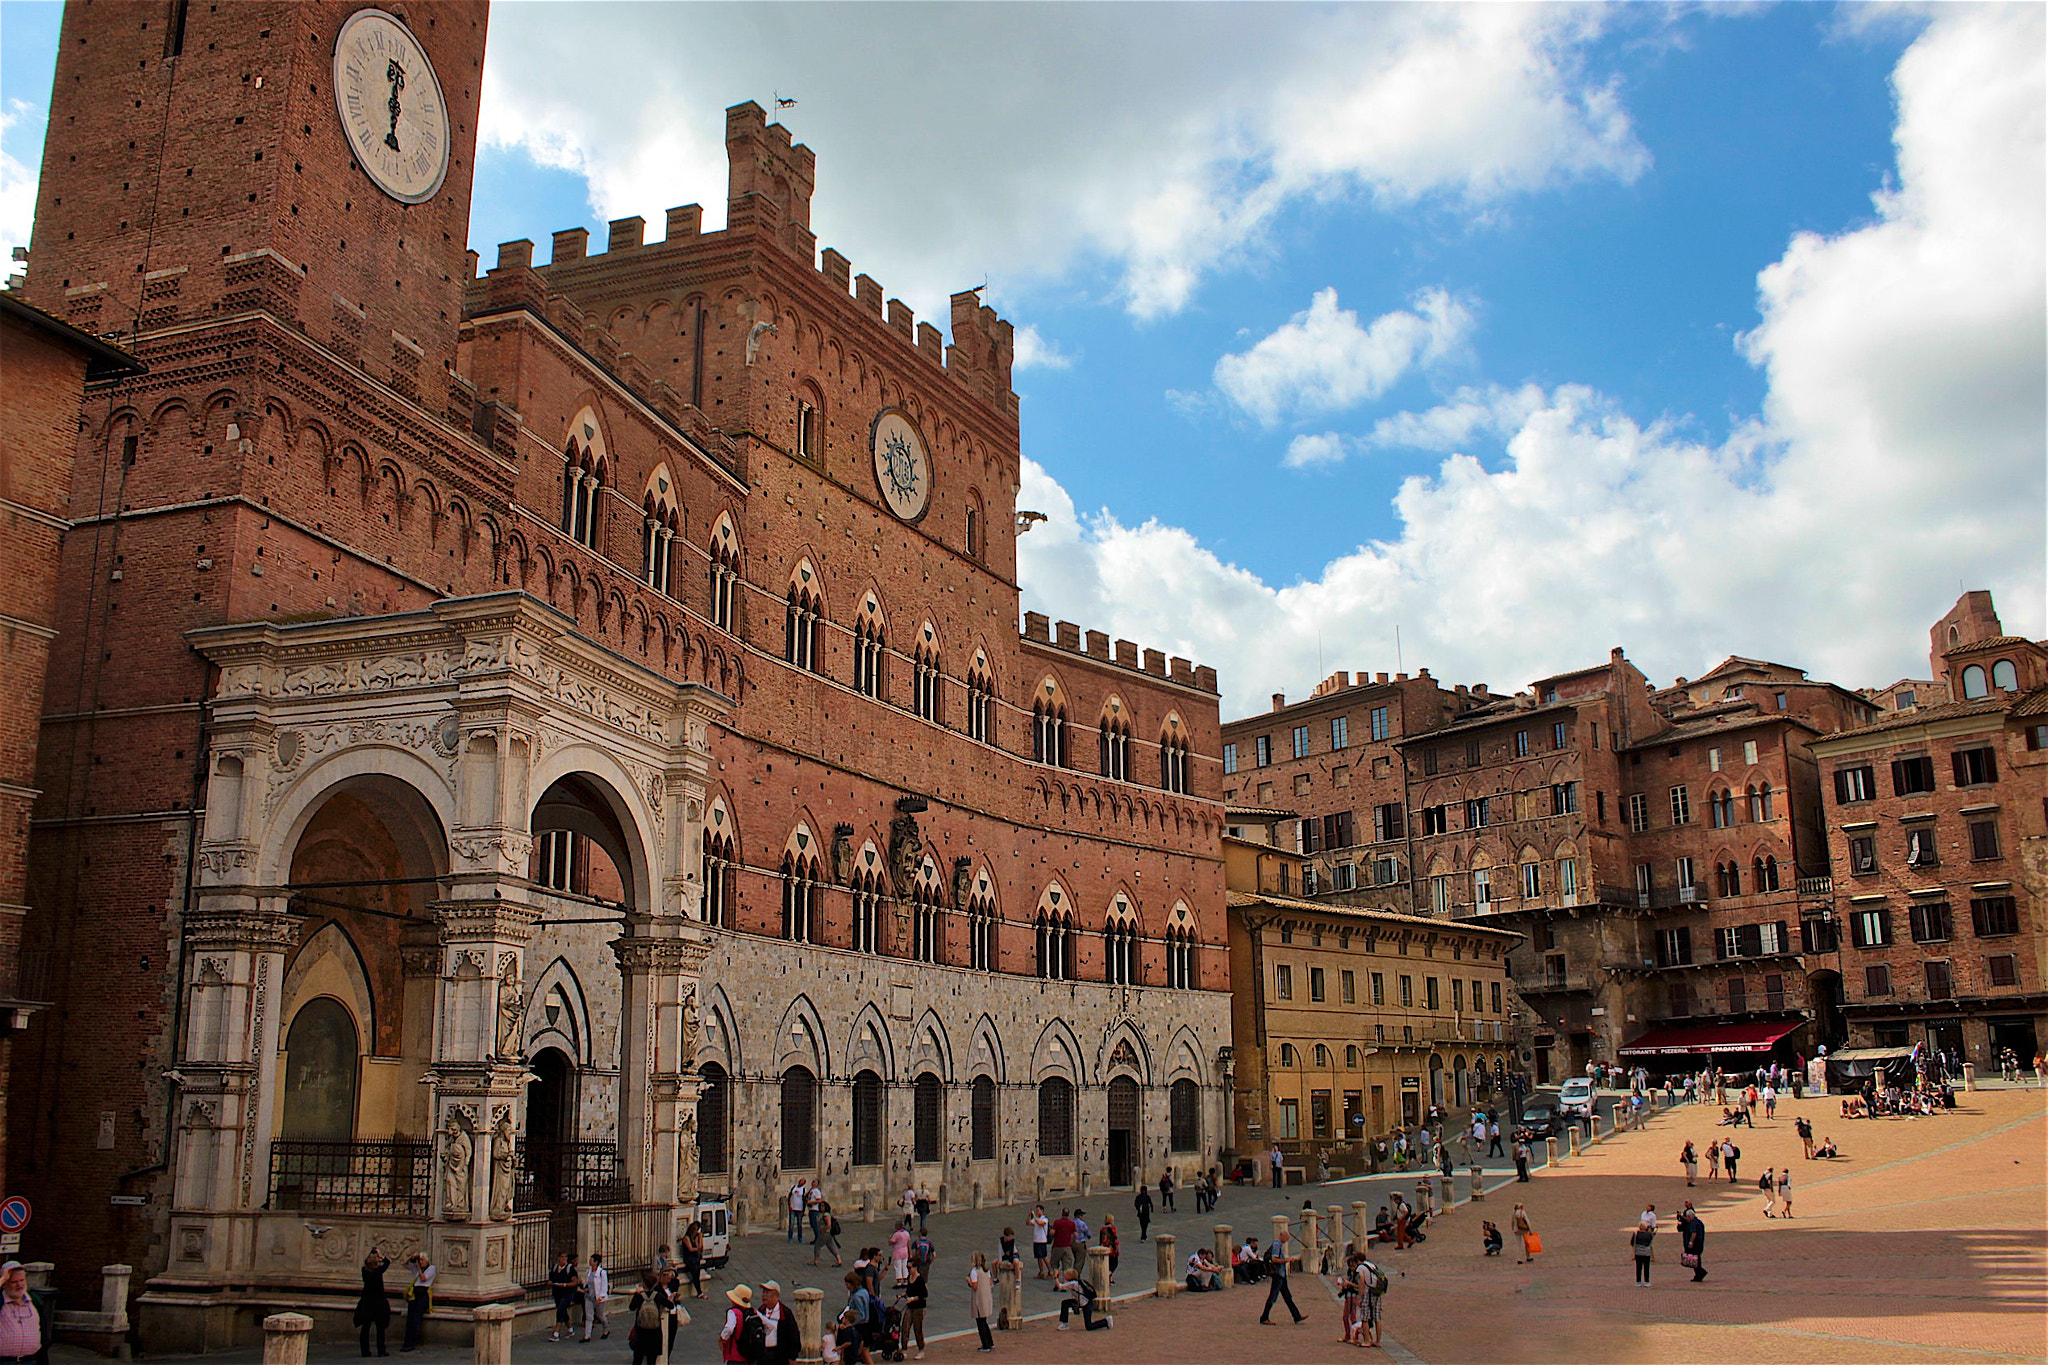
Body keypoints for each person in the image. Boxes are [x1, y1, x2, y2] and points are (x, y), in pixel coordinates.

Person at [1258, 1228, 1306, 1325]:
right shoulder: (1276, 1245)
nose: (1287, 1241)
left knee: (1287, 1296)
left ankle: (1296, 1316)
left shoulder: (1278, 1244)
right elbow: (1275, 1259)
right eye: (1286, 1239)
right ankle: (1264, 1317)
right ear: (1282, 1236)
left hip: (1281, 1275)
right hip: (1278, 1274)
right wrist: (1287, 1260)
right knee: (1273, 1296)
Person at [0, 1263, 41, 1365]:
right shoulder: (0, 1301)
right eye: (14, 1282)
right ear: (4, 1284)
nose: (19, 1285)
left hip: (31, 1361)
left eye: (22, 1280)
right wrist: (3, 1278)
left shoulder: (35, 1301)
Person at [355, 1247, 392, 1357]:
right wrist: (381, 1256)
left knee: (365, 1328)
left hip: (366, 1302)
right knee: (380, 1328)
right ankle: (381, 1350)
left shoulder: (364, 1271)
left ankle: (365, 1351)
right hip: (378, 1302)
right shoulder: (378, 1272)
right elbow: (387, 1262)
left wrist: (372, 1255)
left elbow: (367, 1264)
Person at [627, 1272, 670, 1365]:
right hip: (655, 1332)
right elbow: (670, 1305)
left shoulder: (639, 1296)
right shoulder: (658, 1296)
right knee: (651, 1360)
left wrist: (636, 1293)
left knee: (637, 1359)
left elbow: (631, 1307)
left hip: (641, 1331)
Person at [1054, 1266, 1110, 1331]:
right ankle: (1064, 1323)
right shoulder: (1075, 1283)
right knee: (1065, 1303)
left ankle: (1106, 1321)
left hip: (1086, 1304)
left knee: (1089, 1326)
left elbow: (1059, 1286)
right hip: (1080, 1302)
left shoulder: (1073, 1284)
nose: (1064, 1276)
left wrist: (1055, 1277)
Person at [401, 1252, 436, 1352]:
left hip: (422, 1296)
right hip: (414, 1296)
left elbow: (423, 1278)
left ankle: (412, 1342)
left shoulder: (431, 1268)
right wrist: (411, 1257)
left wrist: (419, 1269)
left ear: (427, 1260)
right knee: (410, 1319)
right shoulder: (416, 1268)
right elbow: (405, 1264)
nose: (420, 1262)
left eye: (422, 1260)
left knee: (416, 1319)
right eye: (420, 1260)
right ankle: (406, 1342)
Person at [757, 1282, 799, 1364]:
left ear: (775, 1296)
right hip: (763, 1355)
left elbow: (793, 1336)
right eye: (763, 1292)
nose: (763, 1295)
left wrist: (793, 1357)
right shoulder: (760, 1311)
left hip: (779, 1356)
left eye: (767, 1292)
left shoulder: (785, 1313)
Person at [966, 1251, 996, 1353]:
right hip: (986, 1297)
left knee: (980, 1323)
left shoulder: (974, 1272)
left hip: (978, 1298)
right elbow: (990, 1283)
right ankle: (990, 1342)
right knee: (984, 1321)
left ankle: (985, 1344)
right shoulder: (986, 1270)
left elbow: (974, 1286)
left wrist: (968, 1281)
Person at [718, 1284, 754, 1364]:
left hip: (735, 1355)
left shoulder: (733, 1312)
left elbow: (729, 1328)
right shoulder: (753, 1312)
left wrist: (722, 1337)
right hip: (748, 1355)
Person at [902, 1259, 930, 1360]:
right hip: (910, 1307)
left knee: (917, 1329)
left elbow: (924, 1294)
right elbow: (909, 1290)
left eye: (909, 1268)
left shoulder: (920, 1279)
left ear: (915, 1267)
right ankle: (904, 1349)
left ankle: (921, 1349)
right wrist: (904, 1295)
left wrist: (913, 1299)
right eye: (907, 1267)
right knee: (905, 1327)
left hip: (918, 1307)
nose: (908, 1270)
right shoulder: (909, 1277)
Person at [548, 1252, 578, 1342]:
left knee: (561, 1309)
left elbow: (574, 1282)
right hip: (557, 1293)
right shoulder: (554, 1268)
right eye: (562, 1257)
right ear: (558, 1258)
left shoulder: (570, 1269)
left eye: (565, 1257)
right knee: (562, 1310)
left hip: (567, 1293)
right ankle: (570, 1329)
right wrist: (550, 1282)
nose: (564, 1259)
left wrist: (564, 1285)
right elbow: (551, 1278)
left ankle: (556, 1332)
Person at [581, 1252, 610, 1342]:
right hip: (589, 1296)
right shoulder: (588, 1271)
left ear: (596, 1262)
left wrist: (600, 1297)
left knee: (600, 1315)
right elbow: (587, 1282)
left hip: (598, 1298)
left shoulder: (602, 1273)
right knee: (589, 1316)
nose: (590, 1261)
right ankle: (587, 1335)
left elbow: (604, 1287)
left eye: (592, 1260)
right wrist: (585, 1288)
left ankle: (606, 1329)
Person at [1677, 1203, 1707, 1283]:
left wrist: (1690, 1242)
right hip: (1699, 1244)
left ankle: (1700, 1273)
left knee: (1694, 1260)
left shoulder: (1692, 1223)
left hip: (1695, 1245)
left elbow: (1694, 1233)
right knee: (1696, 1259)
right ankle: (1699, 1274)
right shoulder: (1699, 1222)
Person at [813, 1196, 843, 1267]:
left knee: (817, 1245)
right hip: (828, 1234)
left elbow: (828, 1224)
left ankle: (816, 1260)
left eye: (823, 1206)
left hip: (826, 1233)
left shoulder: (826, 1214)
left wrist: (823, 1230)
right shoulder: (821, 1214)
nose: (821, 1207)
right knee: (831, 1247)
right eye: (820, 1206)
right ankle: (839, 1260)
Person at [682, 1220, 708, 1297]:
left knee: (697, 1271)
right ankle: (699, 1292)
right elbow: (691, 1249)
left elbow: (700, 1247)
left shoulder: (696, 1237)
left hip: (695, 1257)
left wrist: (700, 1238)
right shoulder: (687, 1238)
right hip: (689, 1257)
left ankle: (699, 1292)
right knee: (695, 1272)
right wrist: (697, 1248)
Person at [1049, 1208, 1077, 1277]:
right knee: (1067, 1266)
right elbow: (1076, 1235)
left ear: (1062, 1213)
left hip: (1057, 1246)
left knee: (1055, 1264)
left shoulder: (1057, 1222)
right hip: (1067, 1246)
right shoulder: (1071, 1223)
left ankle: (1056, 1279)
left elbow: (1052, 1233)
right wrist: (1071, 1241)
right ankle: (1066, 1281)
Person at [1630, 1220, 1655, 1286]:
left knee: (1638, 1267)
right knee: (1646, 1267)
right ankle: (1647, 1281)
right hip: (1647, 1252)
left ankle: (1638, 1281)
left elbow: (1632, 1243)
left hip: (1638, 1252)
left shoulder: (1636, 1234)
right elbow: (1650, 1242)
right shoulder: (1649, 1234)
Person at [1029, 1206, 1051, 1278]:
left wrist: (1034, 1217)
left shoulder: (1045, 1219)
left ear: (1042, 1211)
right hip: (1036, 1240)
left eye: (1038, 1210)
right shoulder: (1036, 1219)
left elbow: (1040, 1223)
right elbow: (1028, 1222)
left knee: (1044, 1256)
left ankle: (1050, 1271)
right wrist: (1029, 1215)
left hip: (1042, 1240)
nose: (1037, 1212)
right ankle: (1041, 1271)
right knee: (1038, 1257)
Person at [1102, 1215, 1121, 1283]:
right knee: (1114, 1263)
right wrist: (1117, 1248)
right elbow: (1115, 1239)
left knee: (1108, 1263)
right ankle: (1109, 1274)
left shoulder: (1102, 1229)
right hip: (1112, 1248)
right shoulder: (1112, 1228)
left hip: (1104, 1247)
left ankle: (1110, 1279)